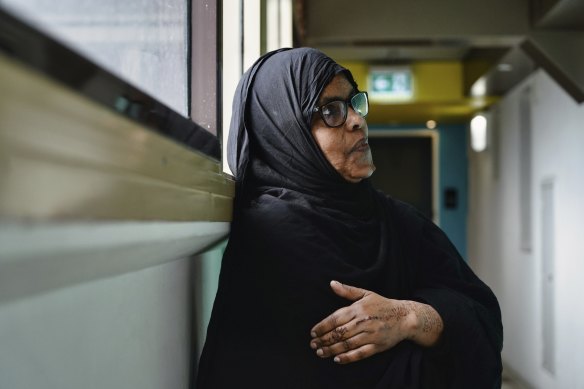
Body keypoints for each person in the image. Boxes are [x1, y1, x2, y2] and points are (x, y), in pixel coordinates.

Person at [197, 48, 503, 388]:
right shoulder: (269, 239)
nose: (357, 119)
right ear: (286, 133)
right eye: (330, 111)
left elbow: (481, 315)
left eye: (354, 103)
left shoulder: (398, 222)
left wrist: (410, 317)